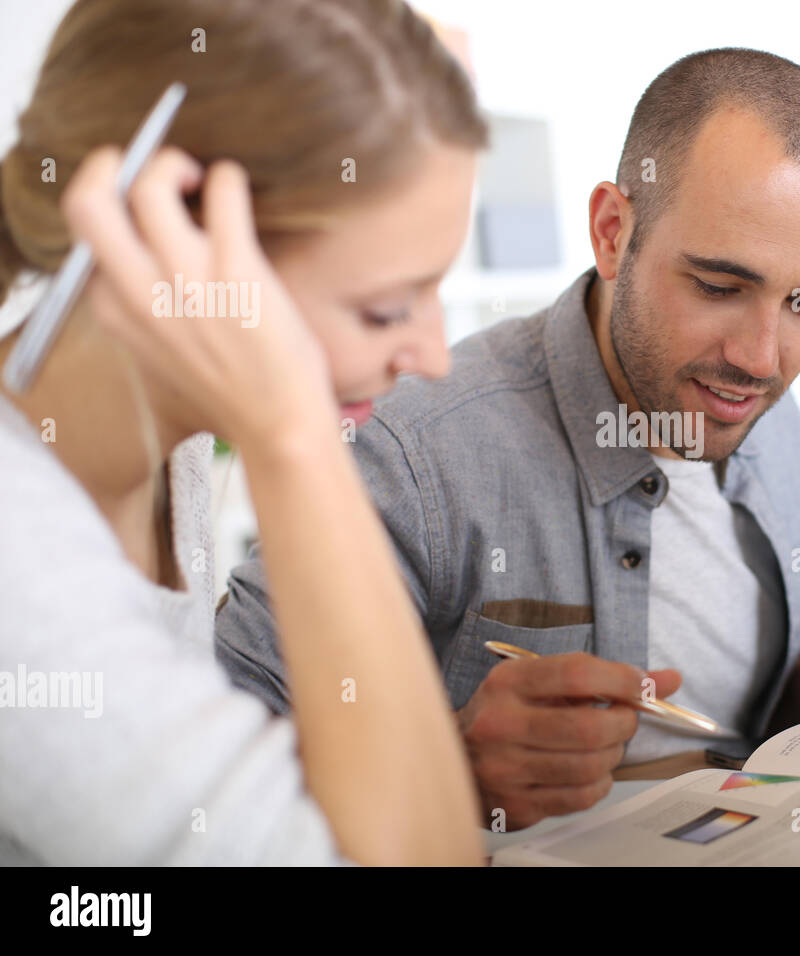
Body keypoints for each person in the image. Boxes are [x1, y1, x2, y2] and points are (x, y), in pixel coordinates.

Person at [215, 47, 800, 832]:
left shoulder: (772, 421)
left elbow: (728, 730)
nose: (762, 359)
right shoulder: (414, 452)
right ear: (612, 232)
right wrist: (450, 772)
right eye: (718, 287)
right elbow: (212, 781)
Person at [0, 0, 487, 865]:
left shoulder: (170, 446)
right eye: (384, 309)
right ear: (178, 245)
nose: (435, 356)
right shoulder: (18, 558)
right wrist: (291, 433)